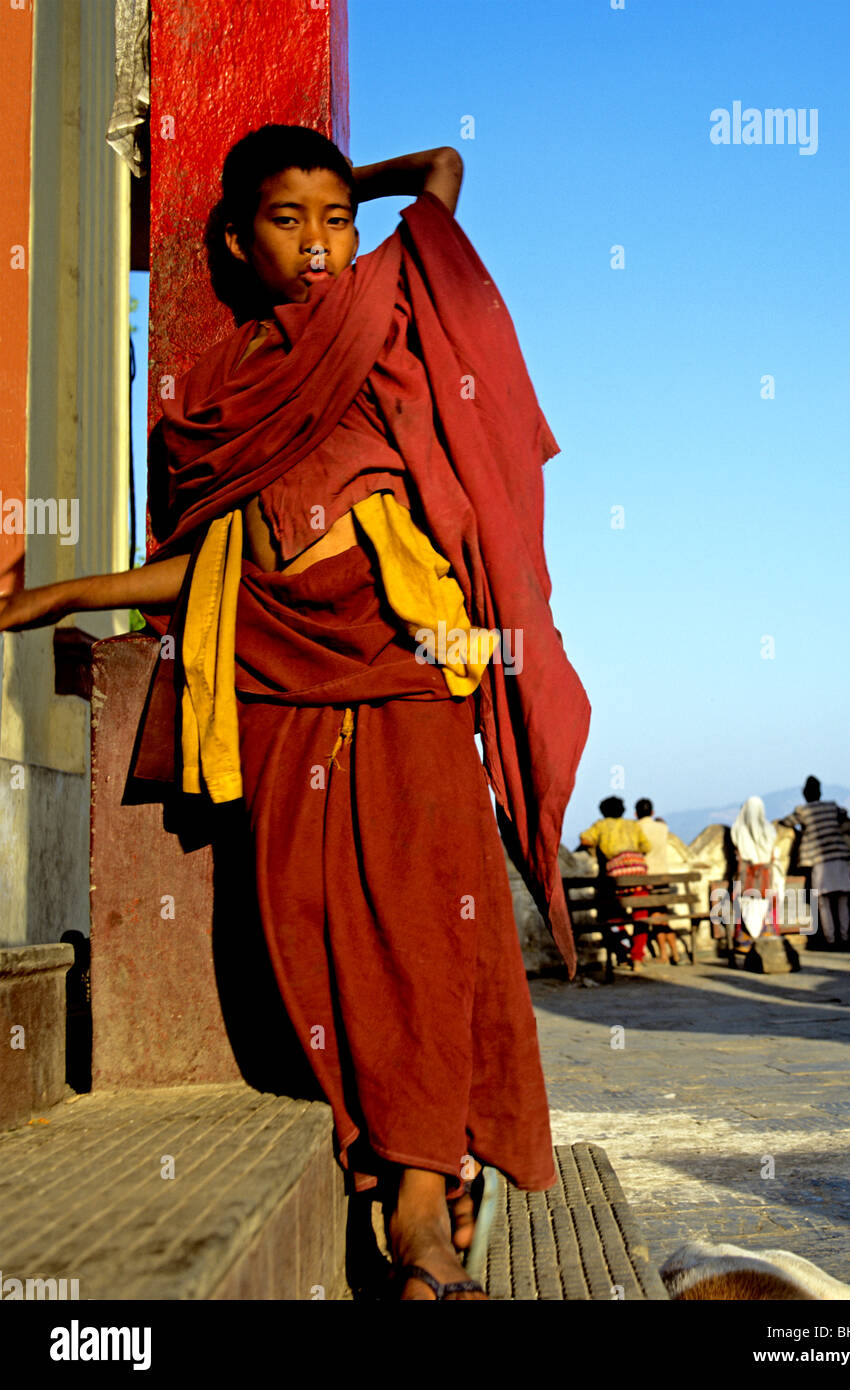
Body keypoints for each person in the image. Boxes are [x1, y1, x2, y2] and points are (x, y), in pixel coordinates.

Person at [0, 126, 591, 1300]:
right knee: (315, 941)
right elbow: (212, 561)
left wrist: (334, 188)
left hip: (413, 676)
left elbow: (436, 173)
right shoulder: (219, 395)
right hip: (280, 692)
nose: (321, 246)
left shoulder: (390, 325)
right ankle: (403, 1170)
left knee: (429, 933)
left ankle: (420, 1213)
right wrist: (64, 589)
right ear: (233, 238)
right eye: (286, 221)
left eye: (336, 222)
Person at [578, 797, 651, 971]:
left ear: (603, 811)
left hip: (615, 876)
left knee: (612, 916)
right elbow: (646, 846)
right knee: (640, 914)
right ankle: (637, 957)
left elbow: (585, 839)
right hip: (638, 875)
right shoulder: (633, 825)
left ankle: (624, 949)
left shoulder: (601, 825)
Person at [780, 777, 850, 946]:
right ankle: (845, 936)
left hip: (819, 860)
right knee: (843, 899)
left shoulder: (803, 810)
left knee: (823, 902)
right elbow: (844, 814)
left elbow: (786, 822)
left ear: (805, 794)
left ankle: (831, 939)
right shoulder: (831, 807)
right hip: (839, 856)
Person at [729, 796, 785, 950]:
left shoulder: (738, 829)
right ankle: (768, 941)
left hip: (746, 880)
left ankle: (745, 943)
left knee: (743, 907)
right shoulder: (769, 830)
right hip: (767, 880)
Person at [634, 797, 683, 965]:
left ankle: (664, 953)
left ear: (635, 813)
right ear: (652, 812)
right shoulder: (662, 828)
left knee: (657, 916)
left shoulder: (636, 828)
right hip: (664, 877)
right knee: (662, 915)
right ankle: (675, 952)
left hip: (647, 878)